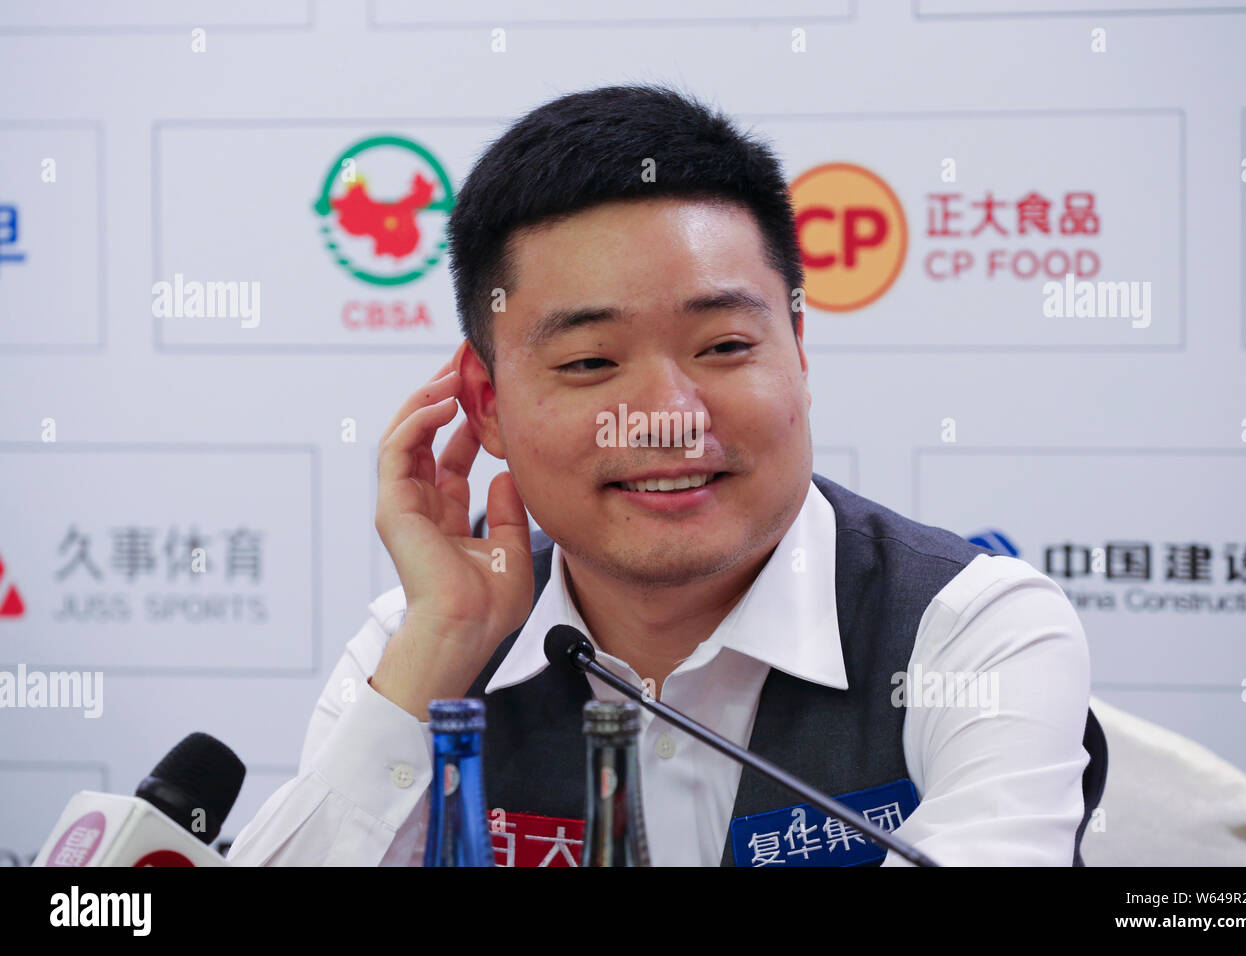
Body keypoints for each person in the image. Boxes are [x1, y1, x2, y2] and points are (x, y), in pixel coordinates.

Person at [228, 83, 1096, 867]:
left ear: (797, 351)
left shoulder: (972, 629)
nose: (668, 415)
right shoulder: (410, 646)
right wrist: (442, 644)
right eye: (591, 362)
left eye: (723, 347)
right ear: (487, 405)